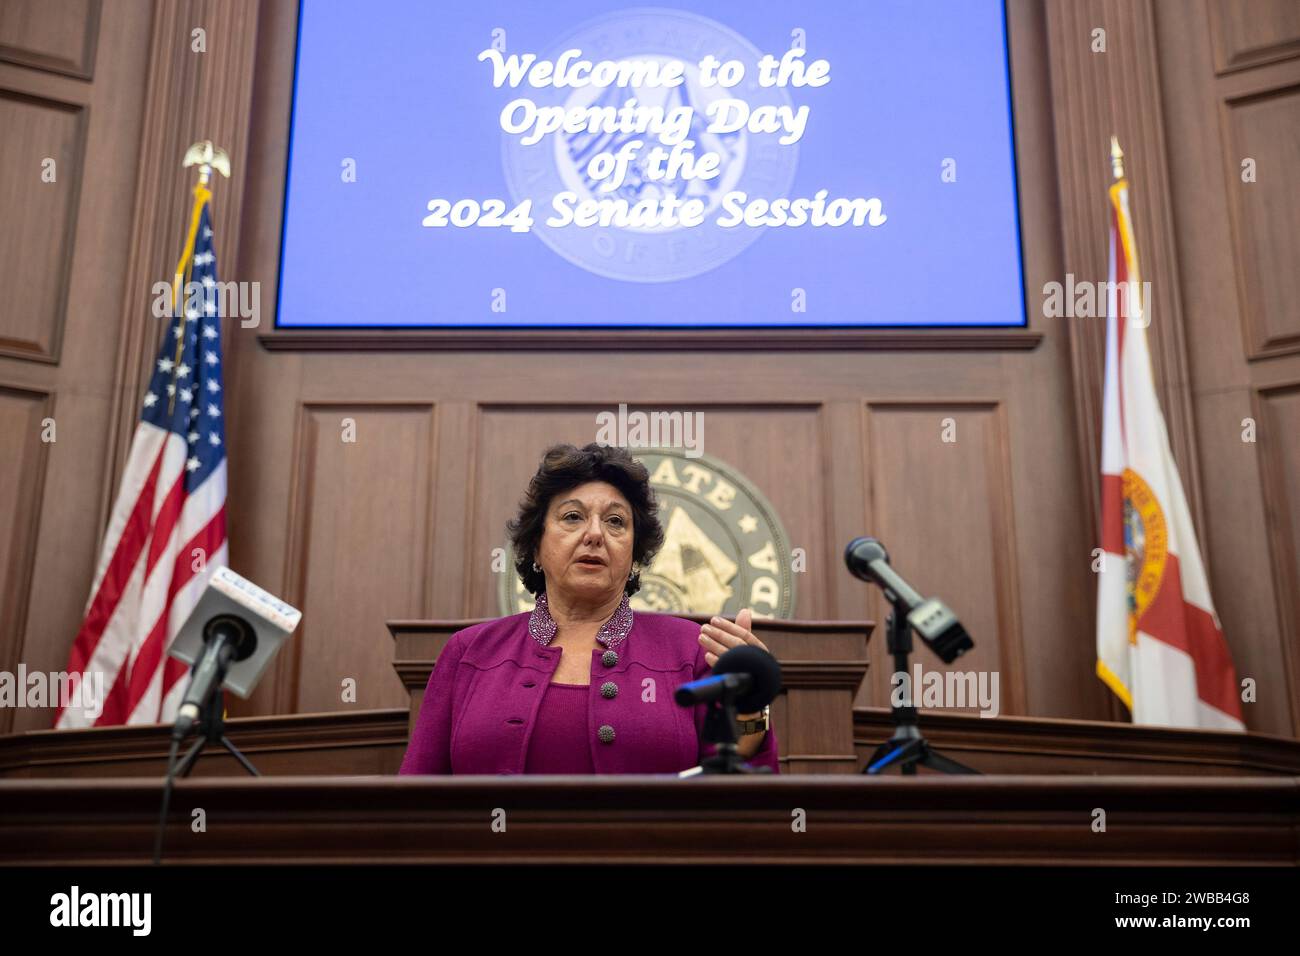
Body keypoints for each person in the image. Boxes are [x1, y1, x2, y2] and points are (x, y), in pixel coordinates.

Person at [399, 442, 779, 774]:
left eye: (615, 522)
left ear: (633, 554)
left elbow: (738, 799)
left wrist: (751, 705)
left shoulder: (691, 650)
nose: (595, 534)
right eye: (572, 517)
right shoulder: (469, 652)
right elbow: (415, 807)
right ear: (535, 545)